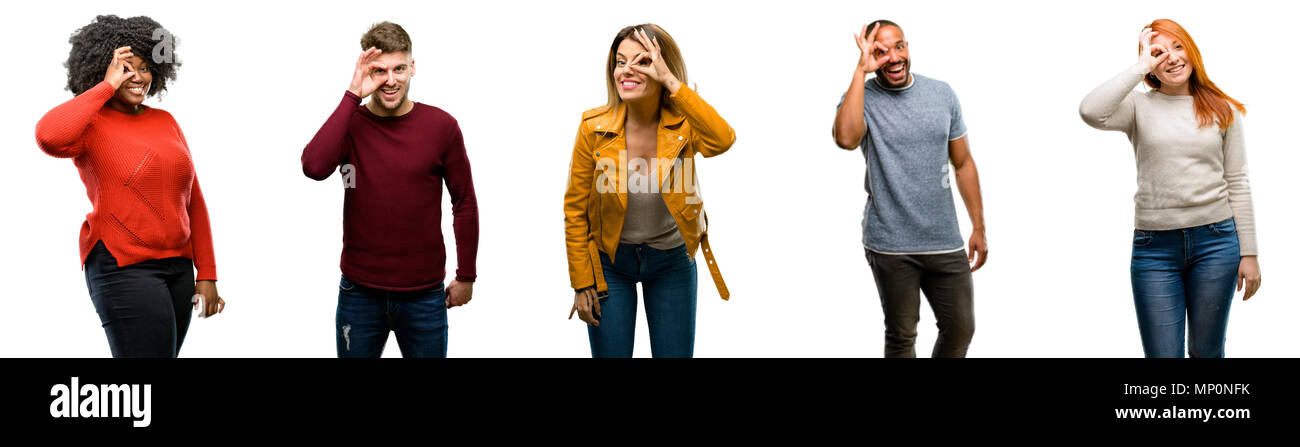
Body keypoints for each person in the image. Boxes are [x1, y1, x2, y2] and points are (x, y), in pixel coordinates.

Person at [34, 15, 225, 358]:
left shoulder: (165, 121)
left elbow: (193, 199)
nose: (137, 78)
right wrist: (105, 87)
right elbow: (48, 135)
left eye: (145, 68)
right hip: (123, 266)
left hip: (179, 268)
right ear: (102, 71)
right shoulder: (90, 124)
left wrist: (207, 272)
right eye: (125, 68)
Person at [1080, 19, 1261, 358]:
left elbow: (1237, 180)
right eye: (1159, 53)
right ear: (1149, 63)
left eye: (1178, 47)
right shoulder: (1137, 106)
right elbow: (1090, 111)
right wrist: (1139, 67)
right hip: (1154, 249)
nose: (1172, 58)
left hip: (1216, 243)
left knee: (1207, 352)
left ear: (1192, 51)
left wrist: (1249, 253)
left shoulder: (1223, 110)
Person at [302, 21, 479, 358]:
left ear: (412, 67)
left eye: (399, 68)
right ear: (367, 72)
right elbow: (313, 167)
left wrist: (466, 274)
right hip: (359, 294)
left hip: (425, 295)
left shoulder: (441, 126)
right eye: (380, 71)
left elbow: (464, 201)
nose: (391, 80)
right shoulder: (350, 124)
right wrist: (352, 94)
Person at [564, 24, 736, 358]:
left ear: (661, 66)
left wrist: (672, 82)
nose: (625, 70)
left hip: (672, 260)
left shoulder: (685, 123)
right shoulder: (592, 129)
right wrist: (581, 280)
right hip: (610, 263)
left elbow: (722, 139)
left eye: (641, 62)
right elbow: (575, 209)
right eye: (619, 61)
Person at [832, 20, 987, 358]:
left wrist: (978, 226)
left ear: (908, 47)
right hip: (891, 243)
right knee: (902, 336)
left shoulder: (941, 93)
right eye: (880, 51)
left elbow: (963, 163)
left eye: (898, 46)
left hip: (943, 238)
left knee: (961, 327)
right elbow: (845, 138)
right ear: (870, 56)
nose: (893, 57)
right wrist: (861, 70)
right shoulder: (862, 98)